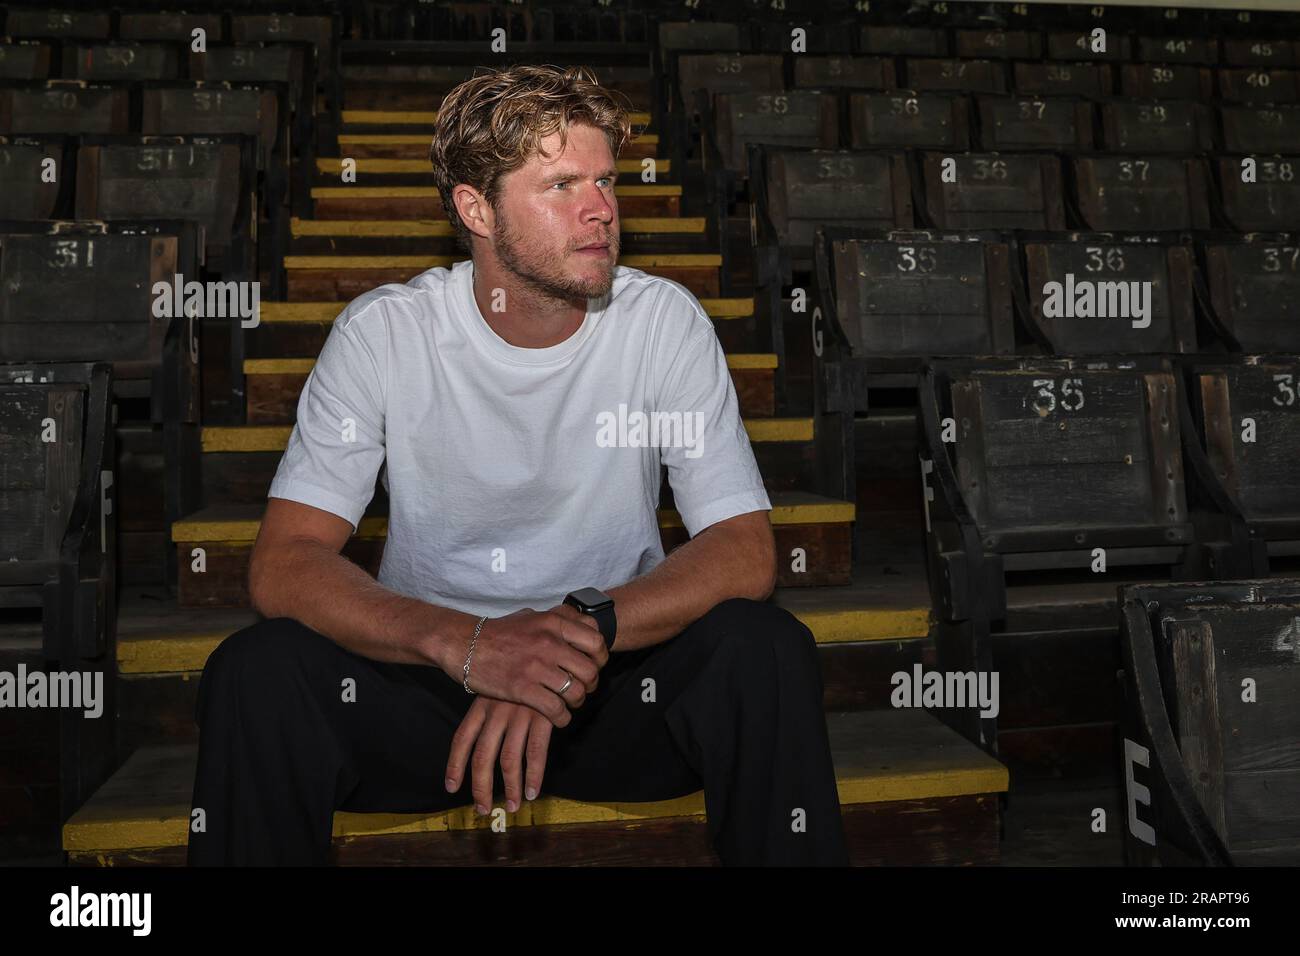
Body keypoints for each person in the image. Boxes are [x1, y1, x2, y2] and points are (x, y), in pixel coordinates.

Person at [187, 64, 849, 866]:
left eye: (606, 180)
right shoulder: (385, 335)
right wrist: (468, 645)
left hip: (614, 683)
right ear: (476, 209)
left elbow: (744, 550)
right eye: (562, 184)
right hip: (432, 702)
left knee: (764, 647)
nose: (603, 209)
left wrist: (571, 640)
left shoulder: (662, 322)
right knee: (255, 672)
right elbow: (284, 565)